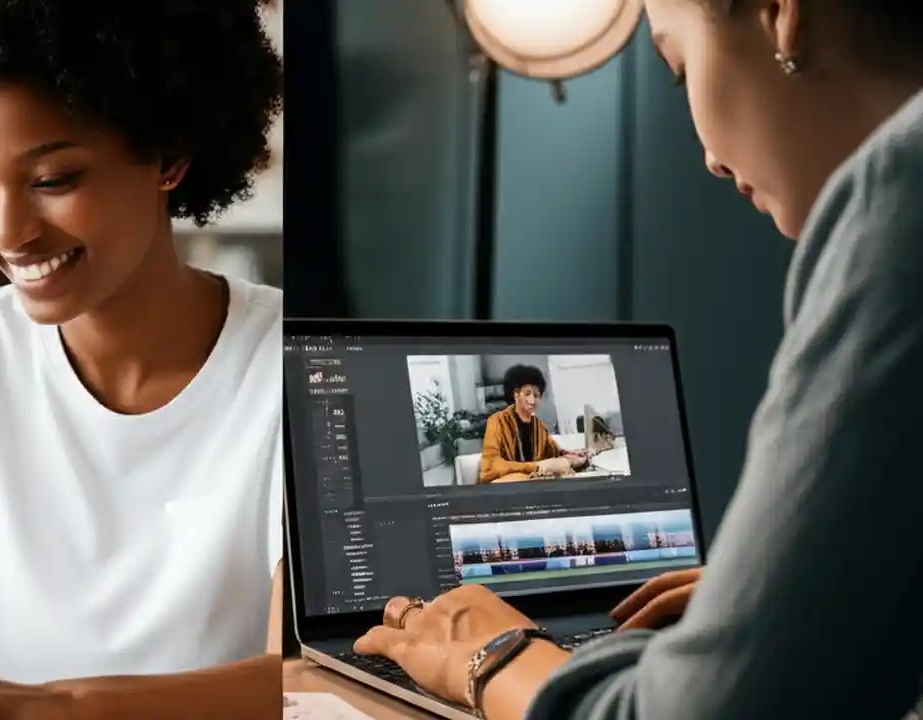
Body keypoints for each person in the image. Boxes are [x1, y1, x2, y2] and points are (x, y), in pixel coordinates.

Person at [356, 0, 923, 718]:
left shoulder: (902, 202)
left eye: (676, 64)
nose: (711, 159)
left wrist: (496, 657)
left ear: (782, 13)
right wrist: (805, 597)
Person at [0, 2, 284, 718]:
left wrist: (61, 707)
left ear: (168, 155)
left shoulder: (294, 369)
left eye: (53, 180)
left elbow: (310, 683)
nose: (6, 230)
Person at [478, 365, 587, 483]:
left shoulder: (538, 425)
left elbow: (554, 451)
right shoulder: (497, 421)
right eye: (527, 394)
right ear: (516, 394)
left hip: (534, 481)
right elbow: (491, 465)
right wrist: (536, 466)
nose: (532, 400)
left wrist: (572, 454)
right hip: (506, 485)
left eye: (536, 395)